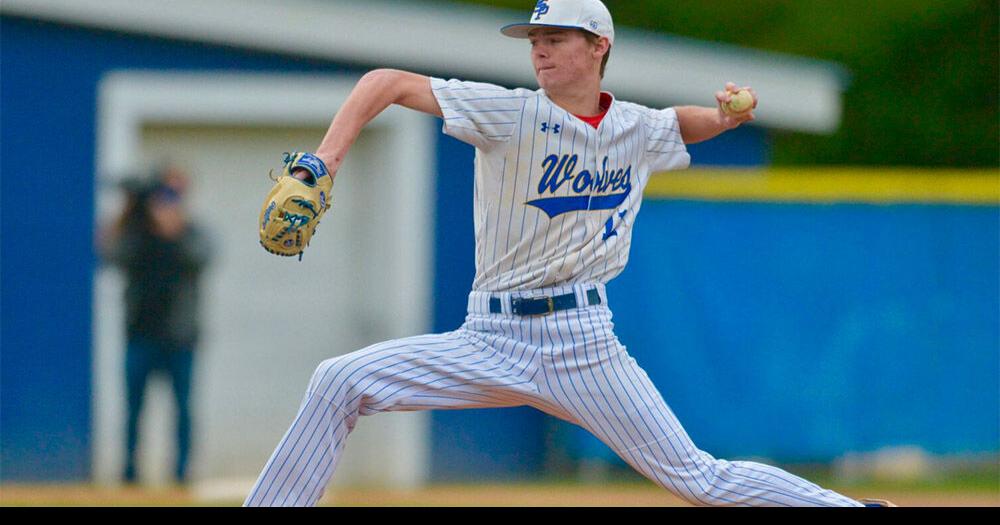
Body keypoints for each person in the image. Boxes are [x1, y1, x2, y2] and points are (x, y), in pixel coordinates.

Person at [245, 0, 894, 507]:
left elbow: (676, 125)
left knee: (699, 477)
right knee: (338, 381)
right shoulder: (509, 113)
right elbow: (383, 82)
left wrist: (721, 118)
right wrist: (318, 165)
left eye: (554, 39)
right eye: (535, 41)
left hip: (584, 342)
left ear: (597, 47)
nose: (540, 51)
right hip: (489, 334)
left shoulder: (632, 127)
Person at [99, 167, 213, 485]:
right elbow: (109, 254)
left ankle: (181, 475)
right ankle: (129, 475)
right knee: (133, 409)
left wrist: (174, 228)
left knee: (183, 410)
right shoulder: (135, 233)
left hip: (180, 336)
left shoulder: (192, 231)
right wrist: (126, 212)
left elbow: (203, 256)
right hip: (139, 333)